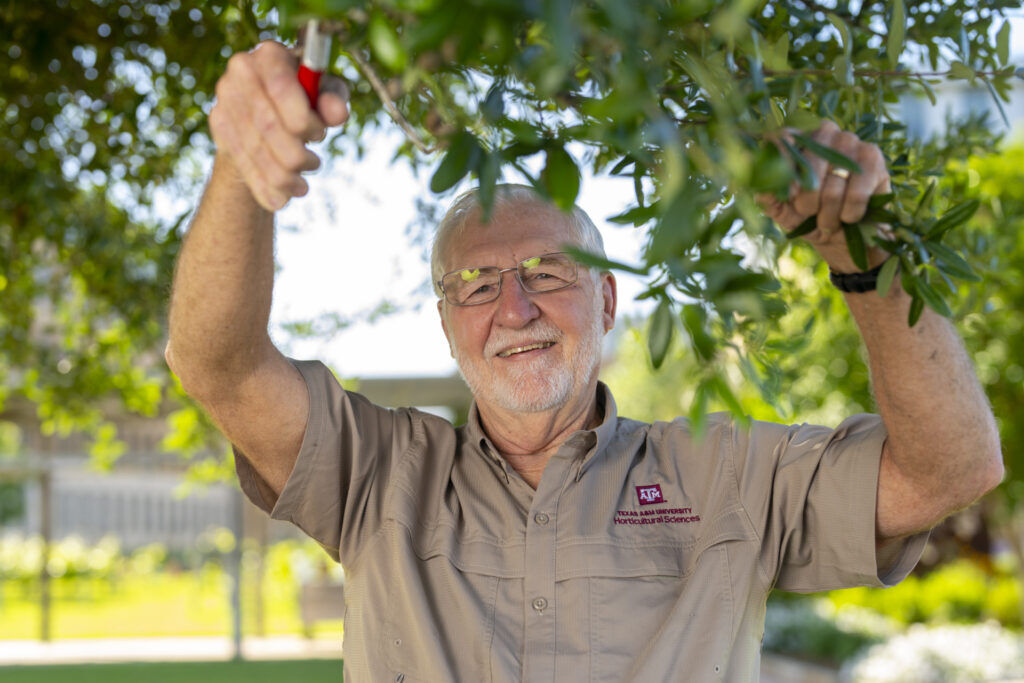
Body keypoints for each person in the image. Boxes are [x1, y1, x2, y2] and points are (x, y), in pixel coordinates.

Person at [165, 41, 1004, 682]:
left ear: (607, 303)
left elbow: (950, 470)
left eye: (546, 274)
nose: (515, 308)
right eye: (479, 284)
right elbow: (217, 365)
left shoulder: (729, 475)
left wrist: (870, 255)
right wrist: (246, 162)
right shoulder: (378, 473)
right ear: (448, 324)